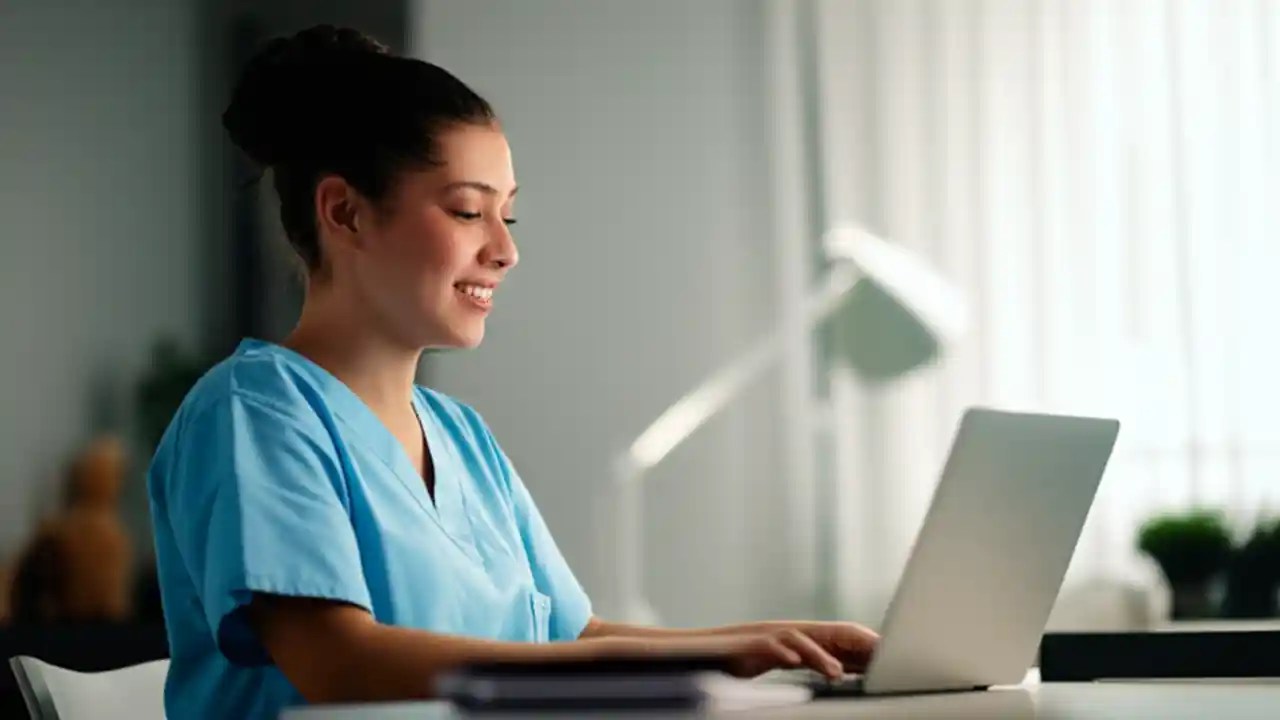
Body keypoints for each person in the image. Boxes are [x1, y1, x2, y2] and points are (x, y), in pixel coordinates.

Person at [147, 25, 879, 719]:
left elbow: (572, 639)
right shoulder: (254, 412)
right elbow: (340, 661)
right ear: (345, 213)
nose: (505, 250)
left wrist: (754, 647)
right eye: (468, 212)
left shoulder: (462, 437)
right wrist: (704, 658)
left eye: (510, 217)